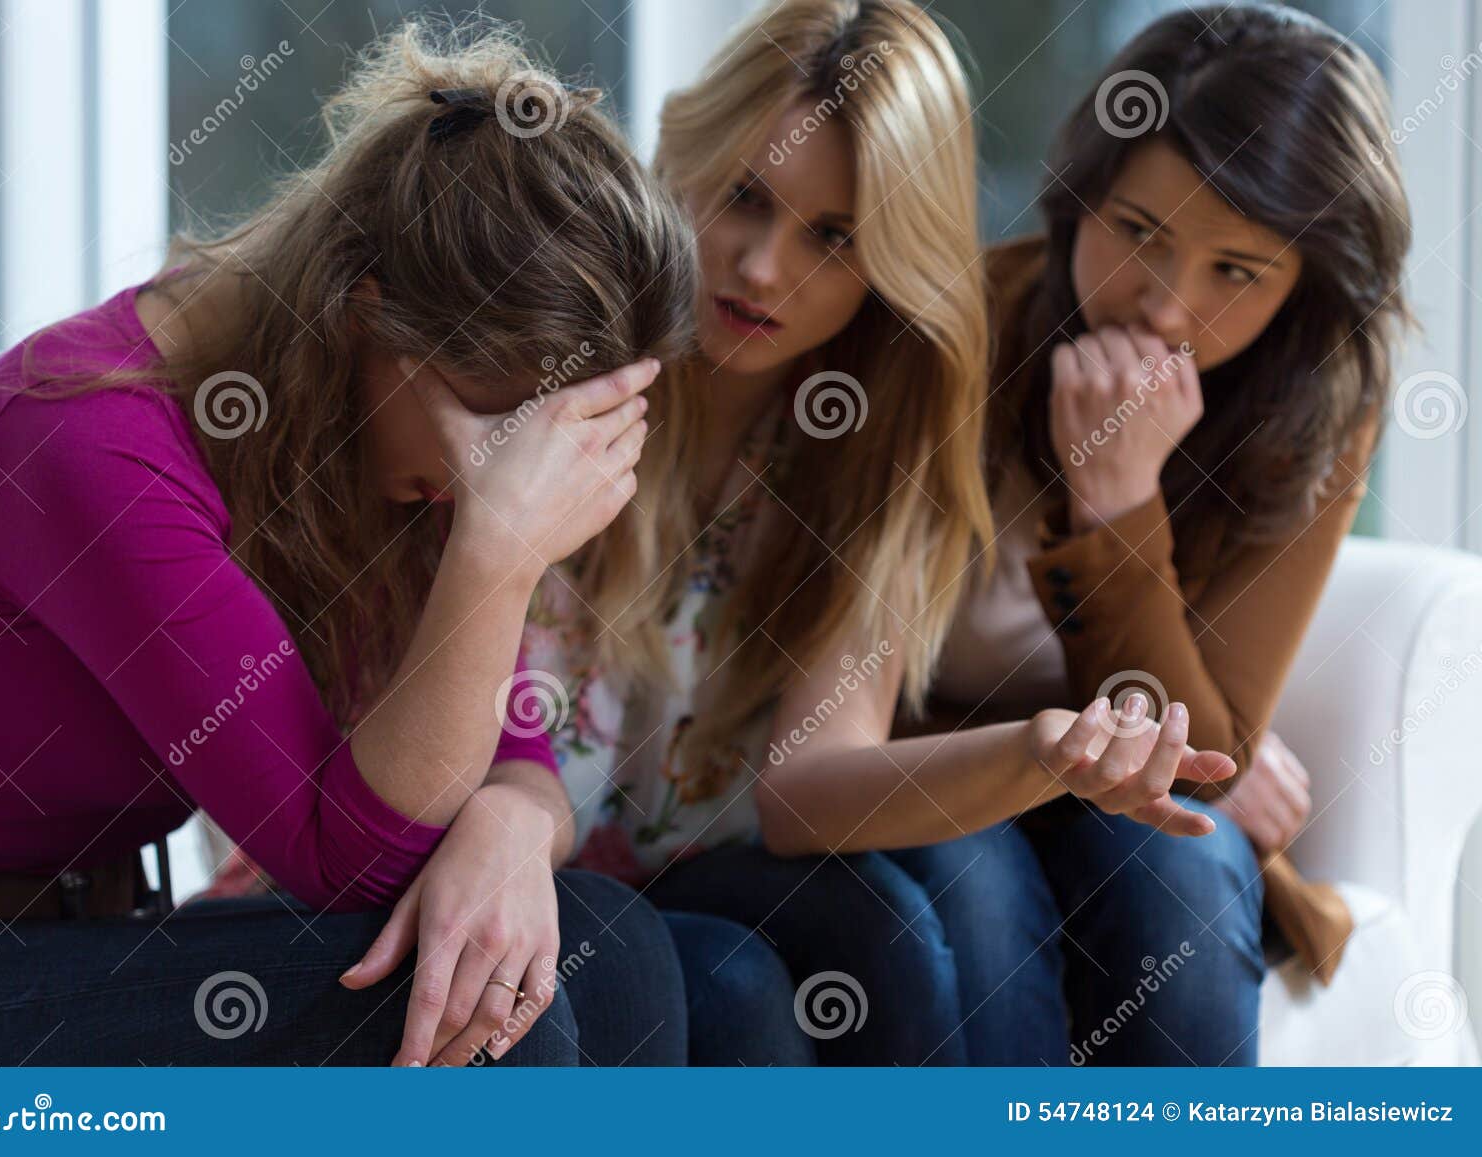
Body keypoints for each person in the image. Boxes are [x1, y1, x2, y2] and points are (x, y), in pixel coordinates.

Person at [0, 19, 788, 1067]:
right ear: (367, 311)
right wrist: (498, 552)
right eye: (491, 427)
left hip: (86, 929)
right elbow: (340, 857)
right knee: (484, 1016)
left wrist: (510, 825)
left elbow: (517, 752)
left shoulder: (346, 437)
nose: (487, 483)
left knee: (611, 945)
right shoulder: (85, 440)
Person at [521, 0, 1235, 1067]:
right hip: (516, 865)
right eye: (745, 198)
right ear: (685, 149)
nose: (762, 267)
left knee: (880, 930)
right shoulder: (557, 359)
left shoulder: (869, 447)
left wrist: (1043, 748)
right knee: (742, 981)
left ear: (888, 262)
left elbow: (807, 790)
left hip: (705, 874)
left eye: (833, 237)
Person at [897, 3, 1411, 1065]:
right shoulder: (957, 329)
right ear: (1079, 196)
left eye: (1237, 271)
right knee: (970, 875)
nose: (1167, 307)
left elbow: (1201, 765)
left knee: (1174, 856)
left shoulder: (1320, 399)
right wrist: (1167, 724)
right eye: (1138, 233)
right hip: (939, 772)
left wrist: (1115, 501)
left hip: (1133, 804)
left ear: (1301, 285)